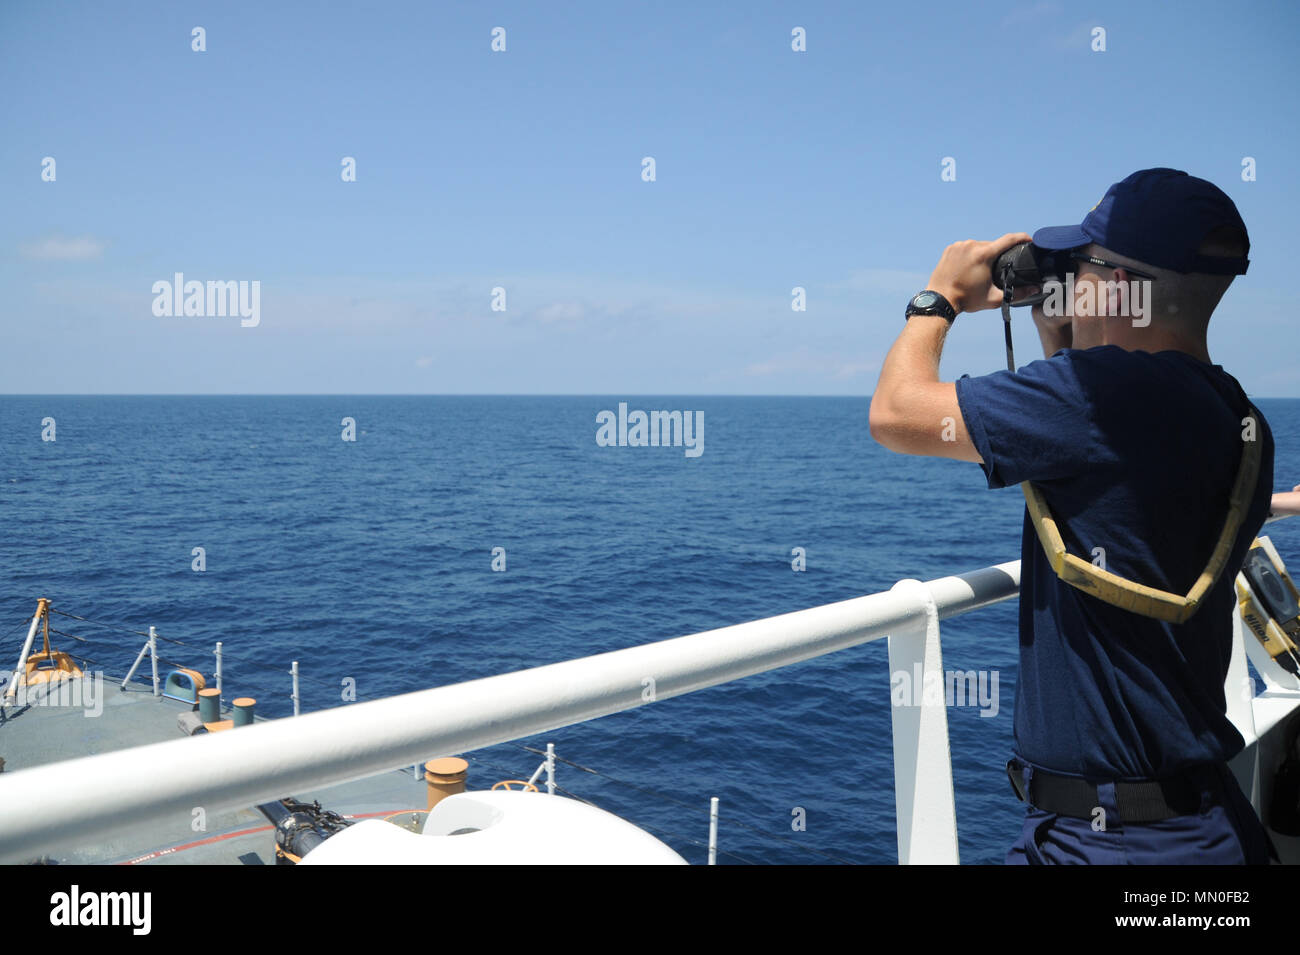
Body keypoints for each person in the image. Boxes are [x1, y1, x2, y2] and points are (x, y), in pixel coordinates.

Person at [869, 168, 1277, 864]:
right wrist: (1065, 340)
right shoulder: (1237, 418)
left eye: (1080, 265)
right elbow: (1101, 482)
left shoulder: (1101, 399)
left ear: (1117, 288)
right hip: (1202, 825)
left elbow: (896, 414)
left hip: (1113, 843)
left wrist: (935, 298)